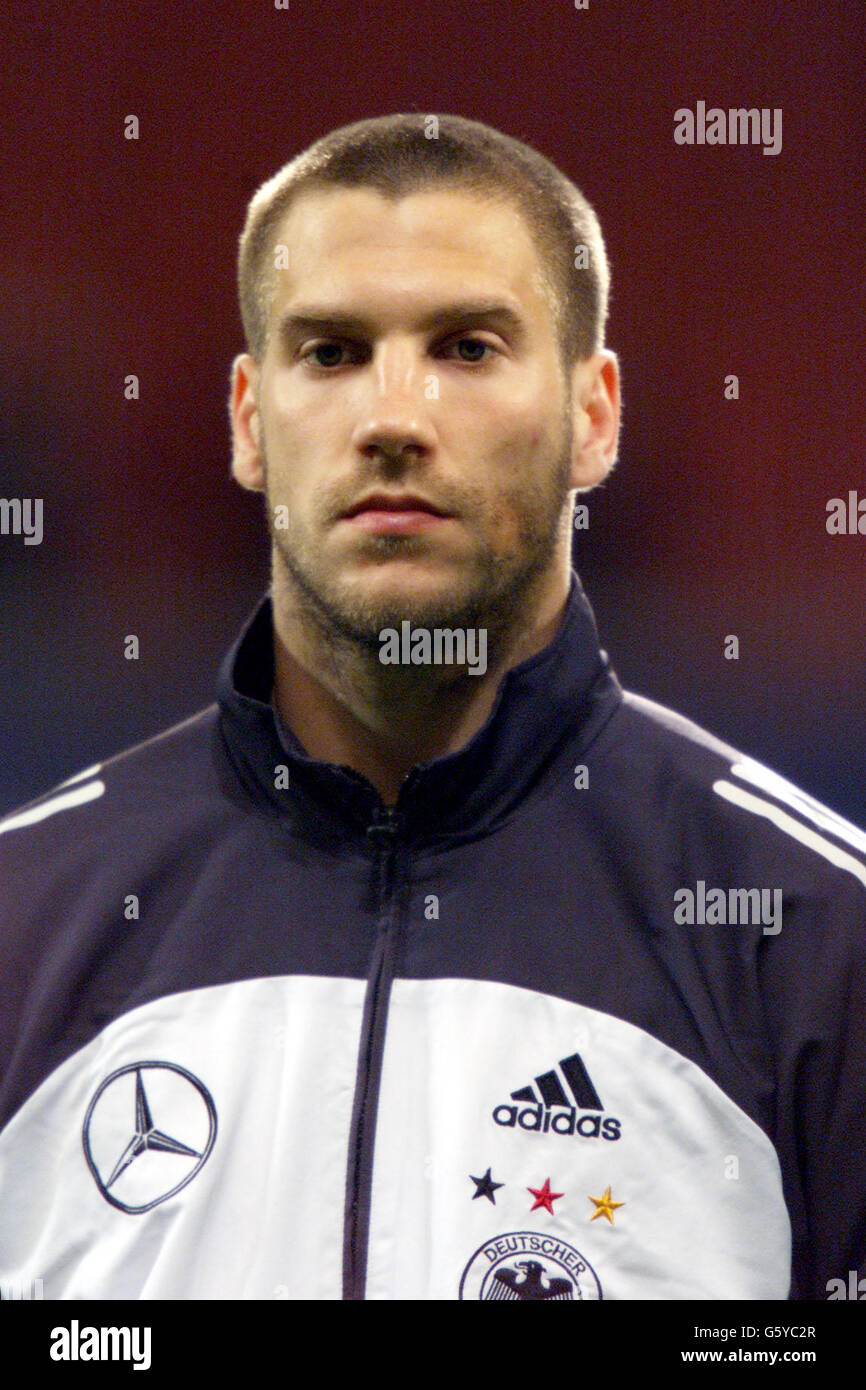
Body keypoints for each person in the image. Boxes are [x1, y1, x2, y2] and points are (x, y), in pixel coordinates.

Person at [0, 113, 863, 1303]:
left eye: (464, 347)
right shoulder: (22, 920)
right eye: (332, 351)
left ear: (593, 413)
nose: (392, 418)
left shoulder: (814, 943)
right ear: (250, 419)